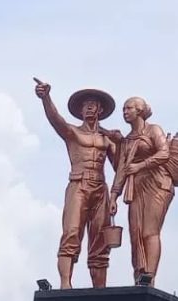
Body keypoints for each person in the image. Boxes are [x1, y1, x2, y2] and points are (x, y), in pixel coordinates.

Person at [33, 78, 123, 289]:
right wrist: (46, 98)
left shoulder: (107, 138)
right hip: (78, 185)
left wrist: (121, 144)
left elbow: (121, 167)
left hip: (101, 189)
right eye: (85, 104)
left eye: (93, 104)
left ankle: (99, 289)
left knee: (101, 240)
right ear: (81, 110)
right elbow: (56, 120)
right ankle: (66, 284)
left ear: (100, 109)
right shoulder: (73, 132)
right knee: (72, 232)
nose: (89, 107)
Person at [111, 96, 175, 287]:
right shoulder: (127, 141)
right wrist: (113, 196)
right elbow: (122, 169)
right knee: (135, 233)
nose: (125, 112)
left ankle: (150, 277)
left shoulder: (153, 130)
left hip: (157, 184)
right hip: (136, 188)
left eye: (128, 108)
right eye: (123, 109)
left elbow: (164, 152)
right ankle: (139, 275)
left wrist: (140, 166)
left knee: (149, 232)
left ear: (139, 110)